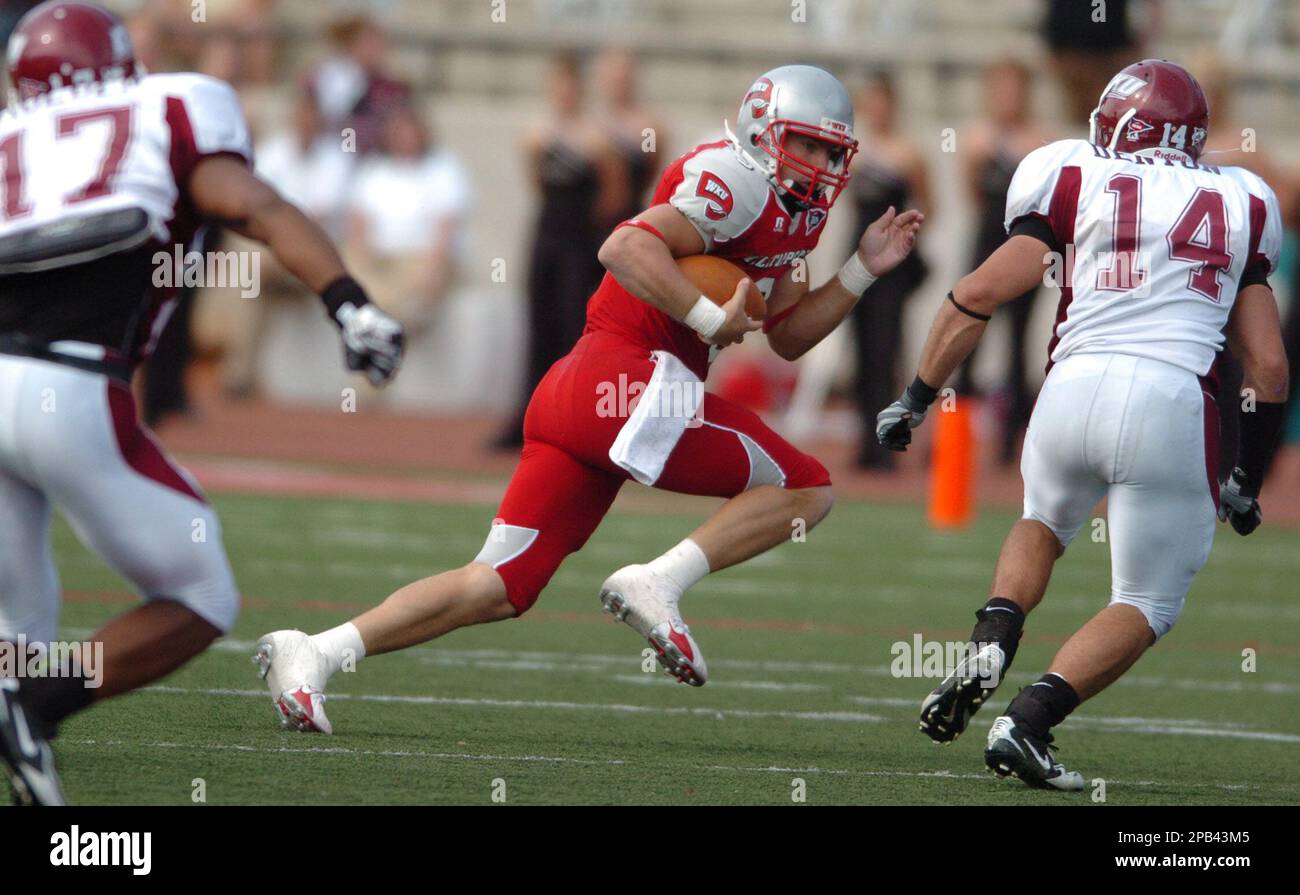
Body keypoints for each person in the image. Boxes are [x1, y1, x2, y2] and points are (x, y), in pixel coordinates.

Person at [254, 65, 923, 734]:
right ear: (761, 128)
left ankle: (313, 651)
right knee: (809, 489)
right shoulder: (738, 180)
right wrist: (708, 318)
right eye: (806, 144)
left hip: (585, 394)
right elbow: (624, 244)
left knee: (497, 586)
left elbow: (788, 337)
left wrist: (861, 269)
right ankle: (657, 581)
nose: (821, 164)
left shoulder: (797, 212)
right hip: (627, 376)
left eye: (833, 151)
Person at [0, 1, 404, 805]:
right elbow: (252, 204)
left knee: (17, 629)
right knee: (202, 593)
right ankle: (34, 709)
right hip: (69, 387)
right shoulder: (172, 104)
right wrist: (349, 301)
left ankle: (24, 715)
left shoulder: (11, 141)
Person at [877, 60, 1287, 790]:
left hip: (1070, 386)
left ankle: (994, 635)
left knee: (1042, 518)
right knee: (1146, 599)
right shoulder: (1243, 200)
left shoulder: (1069, 171)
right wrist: (1247, 476)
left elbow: (978, 292)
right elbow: (1269, 367)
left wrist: (915, 395)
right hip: (1171, 401)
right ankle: (1028, 721)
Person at [491, 53, 629, 449]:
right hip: (545, 238)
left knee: (572, 324)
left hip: (577, 241)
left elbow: (614, 194)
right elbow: (537, 182)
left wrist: (586, 233)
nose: (565, 95)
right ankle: (528, 415)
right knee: (539, 324)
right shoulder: (537, 134)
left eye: (571, 87)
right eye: (559, 86)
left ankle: (571, 416)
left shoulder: (596, 138)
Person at [956, 60, 1054, 464]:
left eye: (1015, 90)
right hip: (986, 242)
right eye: (1001, 90)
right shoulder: (977, 139)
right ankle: (954, 438)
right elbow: (973, 194)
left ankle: (1010, 443)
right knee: (967, 337)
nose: (1007, 99)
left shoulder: (1041, 142)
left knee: (1017, 345)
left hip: (1025, 247)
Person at [847, 72, 931, 470]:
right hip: (856, 257)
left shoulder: (907, 153)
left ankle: (887, 443)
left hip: (892, 267)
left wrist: (902, 240)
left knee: (887, 349)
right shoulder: (855, 153)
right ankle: (864, 441)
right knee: (860, 351)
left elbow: (928, 206)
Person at [345, 105, 471, 344]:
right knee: (350, 263)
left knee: (421, 280)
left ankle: (382, 319)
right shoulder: (373, 170)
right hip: (381, 261)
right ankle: (386, 313)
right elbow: (357, 225)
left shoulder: (443, 169)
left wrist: (433, 268)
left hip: (419, 259)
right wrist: (364, 255)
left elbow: (445, 230)